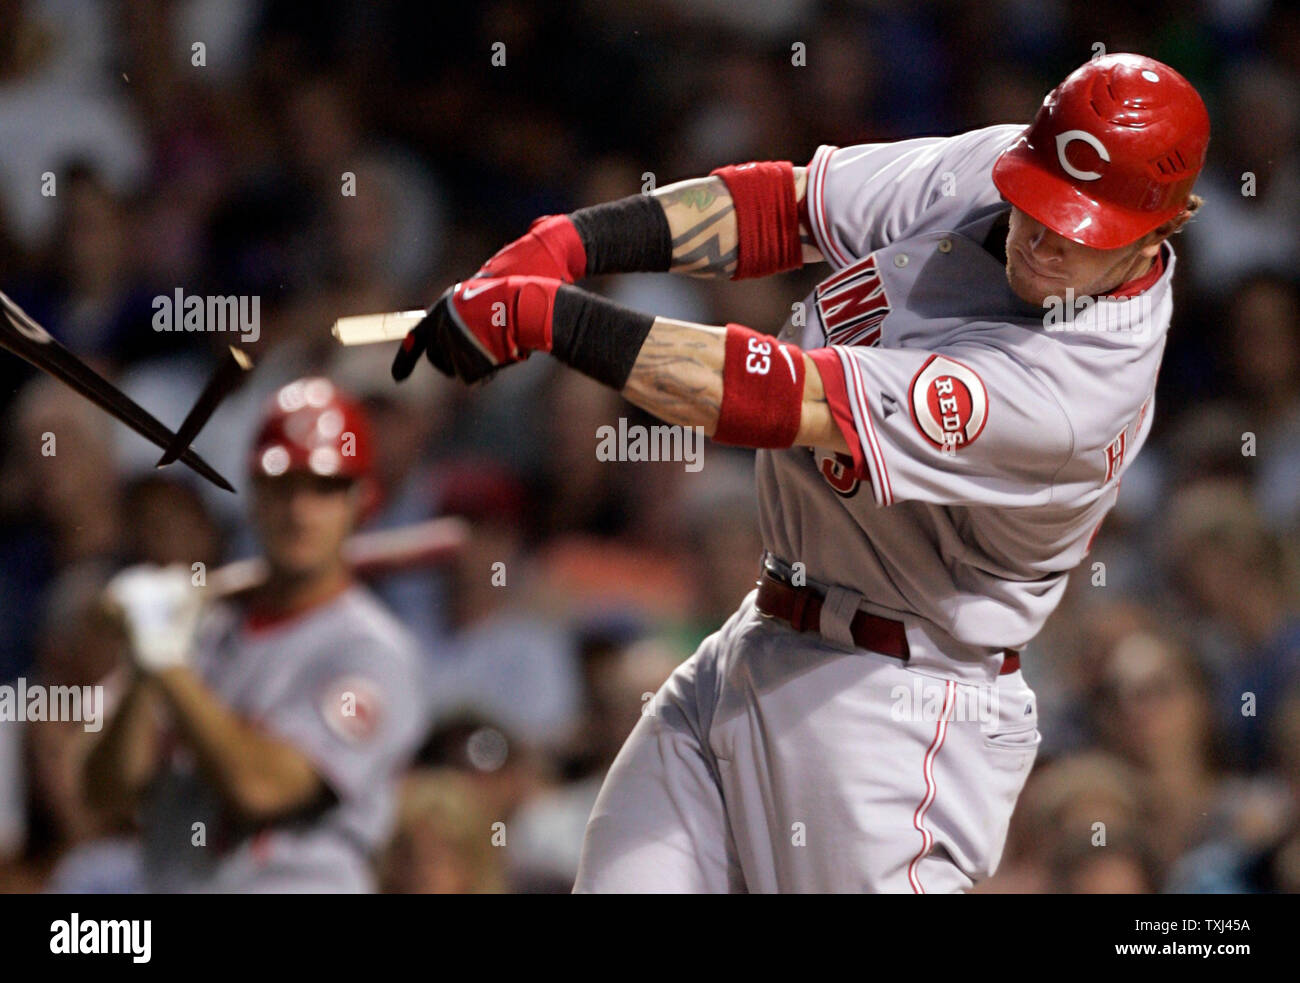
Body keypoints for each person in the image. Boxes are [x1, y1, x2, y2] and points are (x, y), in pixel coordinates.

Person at [391, 53, 1209, 893]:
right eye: (1038, 200)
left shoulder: (1074, 389)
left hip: (895, 710)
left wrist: (547, 316)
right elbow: (778, 208)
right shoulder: (1001, 170)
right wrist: (566, 244)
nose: (1043, 234)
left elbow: (773, 396)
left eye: (1082, 227)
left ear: (1163, 228)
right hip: (761, 637)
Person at [84, 377, 426, 892]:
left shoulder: (373, 652)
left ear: (360, 501)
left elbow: (262, 788)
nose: (299, 510)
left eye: (323, 487)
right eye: (282, 485)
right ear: (253, 494)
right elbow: (104, 792)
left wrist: (169, 668)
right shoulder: (201, 631)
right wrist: (143, 664)